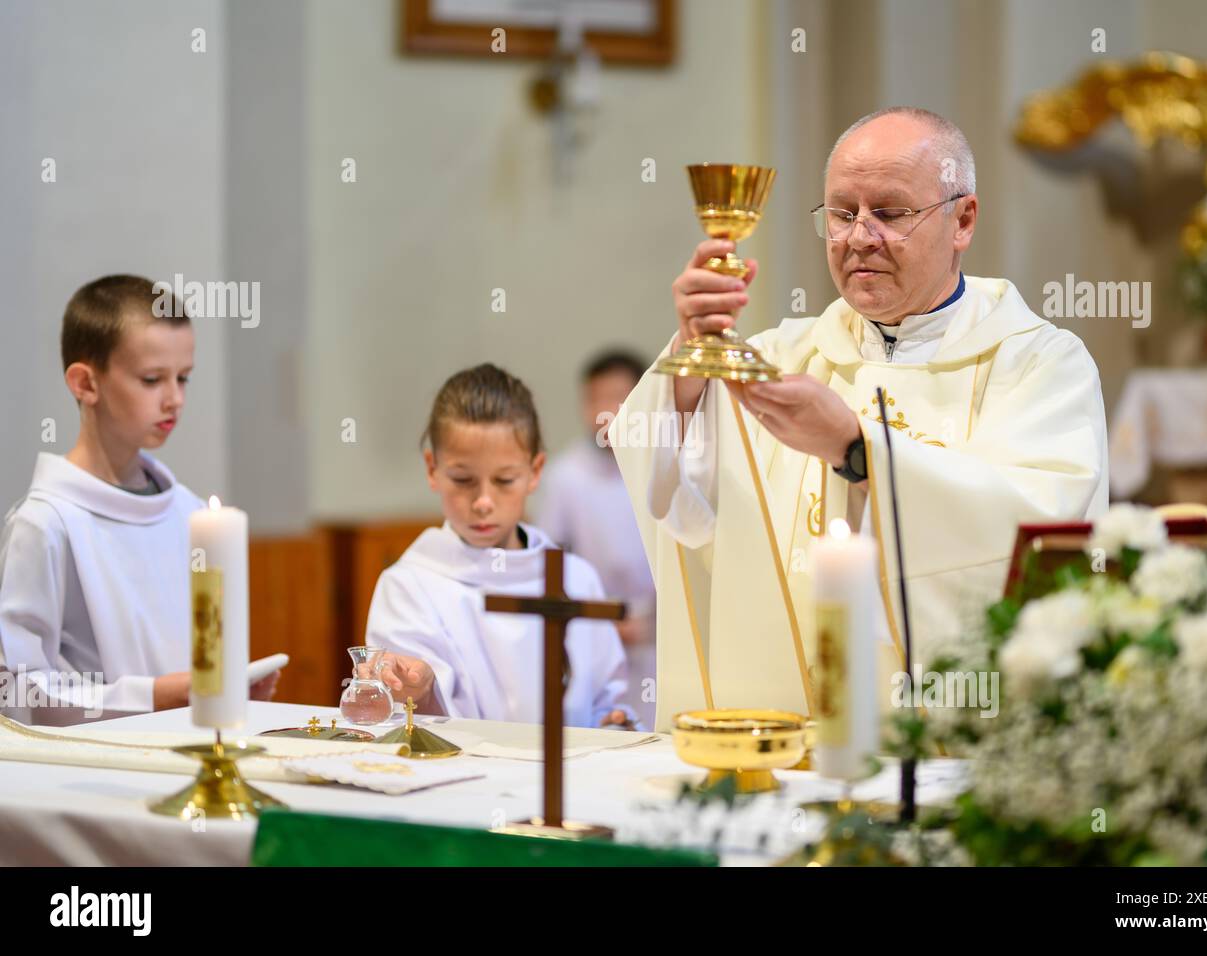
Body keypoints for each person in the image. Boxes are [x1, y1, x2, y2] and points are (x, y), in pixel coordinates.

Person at [613, 107, 1108, 729]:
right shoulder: (779, 358)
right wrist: (691, 356)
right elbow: (675, 496)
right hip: (786, 747)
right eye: (843, 214)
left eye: (890, 213)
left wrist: (856, 449)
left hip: (949, 757)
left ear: (964, 220)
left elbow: (1035, 530)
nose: (858, 237)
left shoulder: (1038, 363)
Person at [0, 275, 278, 724]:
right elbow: (19, 691)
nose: (175, 400)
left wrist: (226, 691)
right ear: (85, 383)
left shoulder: (188, 511)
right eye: (152, 380)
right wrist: (152, 696)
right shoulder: (46, 523)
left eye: (183, 378)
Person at [365, 363, 636, 729]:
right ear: (432, 469)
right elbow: (404, 719)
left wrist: (613, 722)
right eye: (463, 480)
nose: (483, 502)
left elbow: (608, 699)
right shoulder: (409, 587)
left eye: (505, 480)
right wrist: (420, 687)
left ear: (535, 471)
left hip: (571, 780)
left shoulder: (576, 579)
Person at [535, 350, 657, 703]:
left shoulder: (664, 465)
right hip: (590, 629)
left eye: (617, 398)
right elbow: (550, 562)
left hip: (660, 634)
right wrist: (596, 618)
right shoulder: (565, 477)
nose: (604, 411)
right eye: (594, 399)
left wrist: (651, 621)